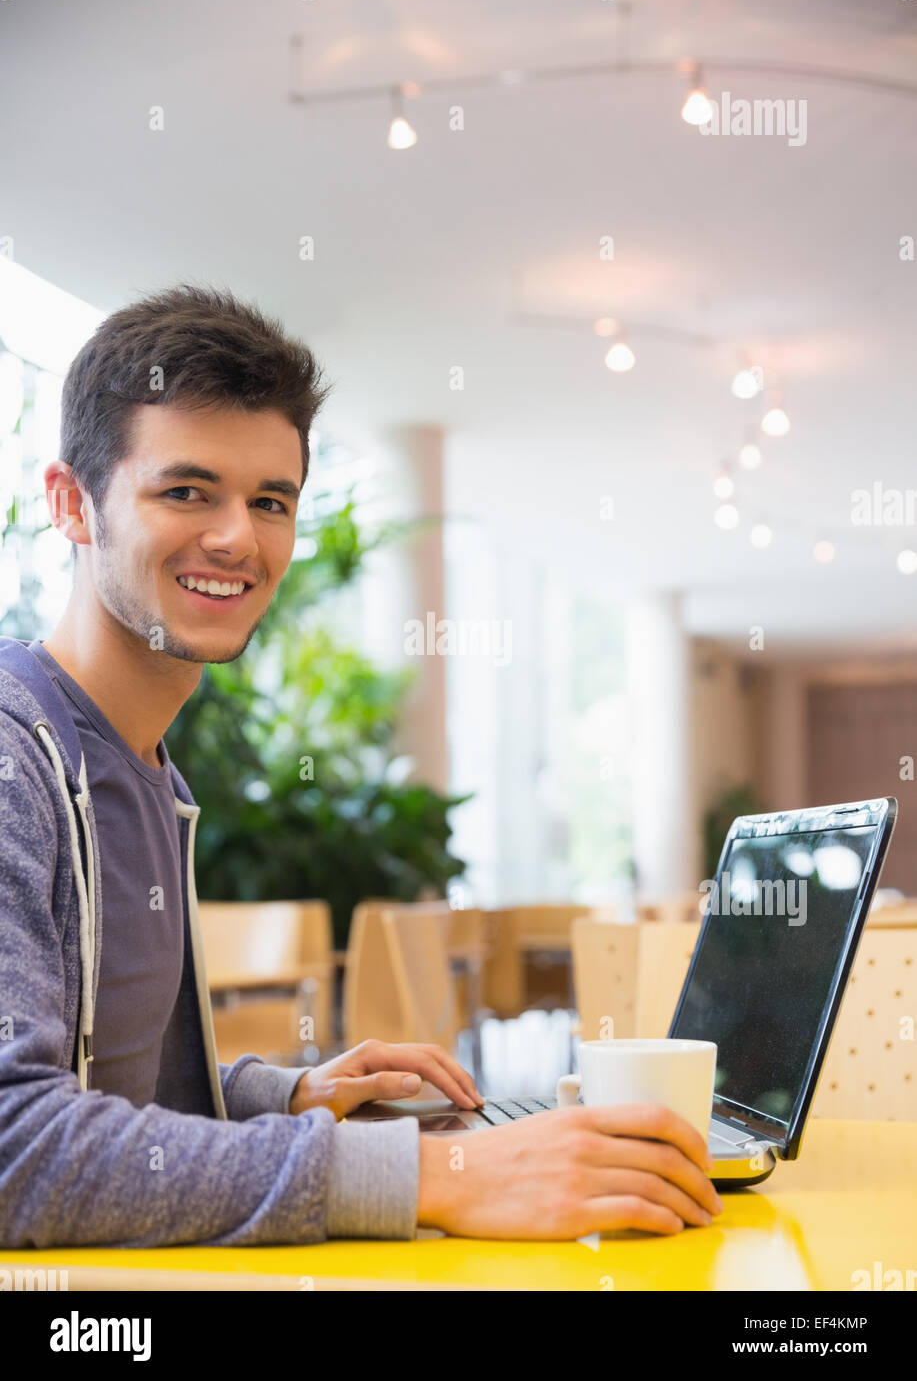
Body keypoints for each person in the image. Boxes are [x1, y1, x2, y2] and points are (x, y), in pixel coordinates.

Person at [0, 283, 723, 1247]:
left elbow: (125, 1093)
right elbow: (16, 1150)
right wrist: (427, 1172)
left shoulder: (148, 774)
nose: (236, 538)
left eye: (270, 501)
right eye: (185, 490)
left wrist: (291, 1092)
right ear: (71, 505)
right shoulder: (17, 753)